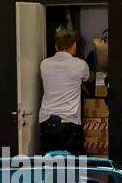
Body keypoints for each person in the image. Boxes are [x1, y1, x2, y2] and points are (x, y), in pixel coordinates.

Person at [39, 27, 91, 155]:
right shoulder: (80, 65)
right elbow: (88, 78)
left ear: (56, 46)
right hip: (69, 121)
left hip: (47, 121)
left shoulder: (44, 64)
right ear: (74, 46)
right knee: (72, 166)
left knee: (50, 163)